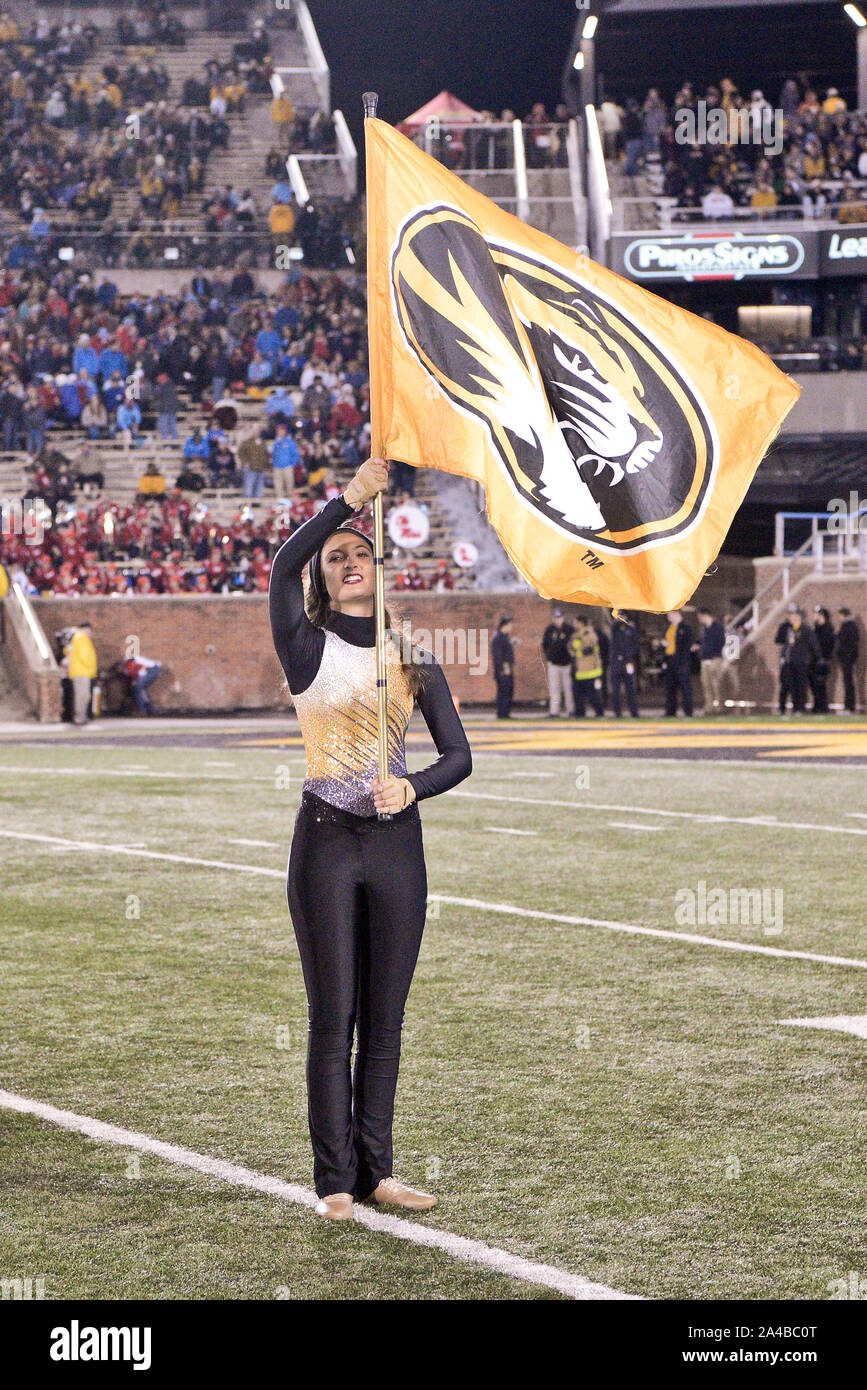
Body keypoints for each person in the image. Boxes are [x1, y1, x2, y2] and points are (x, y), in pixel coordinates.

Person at [268, 456, 472, 1221]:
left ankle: (377, 1172)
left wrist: (412, 784)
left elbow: (459, 755)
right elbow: (283, 563)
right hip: (324, 840)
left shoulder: (413, 655)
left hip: (396, 845)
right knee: (334, 1018)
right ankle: (333, 1181)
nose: (352, 561)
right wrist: (350, 501)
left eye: (363, 552)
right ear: (324, 581)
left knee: (384, 1019)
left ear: (383, 571)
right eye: (339, 557)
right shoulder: (305, 644)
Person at [775, 606, 820, 714]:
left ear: (798, 616)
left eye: (792, 615)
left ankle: (799, 708)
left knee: (800, 686)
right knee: (787, 685)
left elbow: (814, 645)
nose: (790, 617)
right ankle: (783, 708)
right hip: (788, 662)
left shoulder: (806, 630)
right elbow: (779, 640)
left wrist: (814, 659)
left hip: (801, 662)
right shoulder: (788, 629)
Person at [541, 608, 574, 717]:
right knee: (554, 689)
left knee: (568, 689)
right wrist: (549, 657)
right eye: (556, 618)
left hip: (566, 663)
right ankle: (554, 711)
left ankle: (570, 710)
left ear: (563, 618)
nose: (557, 620)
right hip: (554, 664)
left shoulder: (569, 629)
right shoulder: (550, 629)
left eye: (559, 617)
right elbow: (545, 645)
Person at [568, 619, 604, 718]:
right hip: (580, 672)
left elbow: (590, 645)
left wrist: (580, 636)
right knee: (578, 696)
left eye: (576, 623)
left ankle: (599, 713)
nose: (574, 625)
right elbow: (571, 647)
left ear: (581, 623)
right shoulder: (575, 635)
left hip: (591, 671)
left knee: (593, 695)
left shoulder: (589, 633)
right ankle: (580, 714)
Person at [662, 610, 694, 717]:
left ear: (676, 614)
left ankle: (688, 711)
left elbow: (687, 644)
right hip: (670, 661)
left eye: (670, 614)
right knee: (670, 688)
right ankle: (670, 711)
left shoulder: (686, 628)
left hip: (681, 662)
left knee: (685, 687)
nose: (668, 617)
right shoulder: (668, 627)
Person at [66, 621, 98, 726]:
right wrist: (90, 667)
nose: (90, 632)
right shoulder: (82, 638)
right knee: (82, 696)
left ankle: (80, 717)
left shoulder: (76, 638)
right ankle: (80, 718)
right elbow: (85, 656)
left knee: (82, 696)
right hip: (82, 672)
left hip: (80, 671)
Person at [609, 609, 639, 717]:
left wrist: (628, 655)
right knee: (616, 689)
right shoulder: (615, 628)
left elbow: (635, 645)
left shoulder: (631, 630)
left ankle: (634, 712)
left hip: (627, 662)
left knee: (630, 688)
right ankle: (617, 713)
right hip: (616, 662)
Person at [696, 608, 726, 715]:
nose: (699, 619)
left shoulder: (717, 627)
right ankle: (709, 707)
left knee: (716, 684)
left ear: (705, 615)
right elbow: (702, 641)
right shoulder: (704, 628)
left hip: (715, 659)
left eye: (700, 616)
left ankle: (719, 707)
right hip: (705, 660)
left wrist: (714, 654)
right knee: (706, 684)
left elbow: (721, 642)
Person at [810, 607, 835, 714]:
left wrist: (824, 657)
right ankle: (817, 706)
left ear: (821, 615)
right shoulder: (817, 628)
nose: (813, 616)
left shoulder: (827, 628)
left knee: (820, 684)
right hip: (814, 660)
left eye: (815, 614)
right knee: (814, 685)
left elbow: (828, 645)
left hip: (822, 660)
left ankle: (823, 708)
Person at [836, 608, 860, 713]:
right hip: (847, 658)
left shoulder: (849, 626)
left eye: (840, 615)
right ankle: (848, 706)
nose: (839, 618)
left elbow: (848, 642)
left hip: (847, 658)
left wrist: (844, 655)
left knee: (848, 683)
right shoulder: (850, 626)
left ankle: (849, 707)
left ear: (844, 615)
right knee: (847, 682)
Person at [491, 616, 515, 719]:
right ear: (504, 625)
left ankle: (506, 713)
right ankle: (503, 714)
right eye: (510, 625)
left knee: (508, 691)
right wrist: (502, 669)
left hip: (506, 669)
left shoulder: (504, 637)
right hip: (503, 671)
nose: (511, 627)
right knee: (504, 692)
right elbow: (498, 655)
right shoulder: (498, 638)